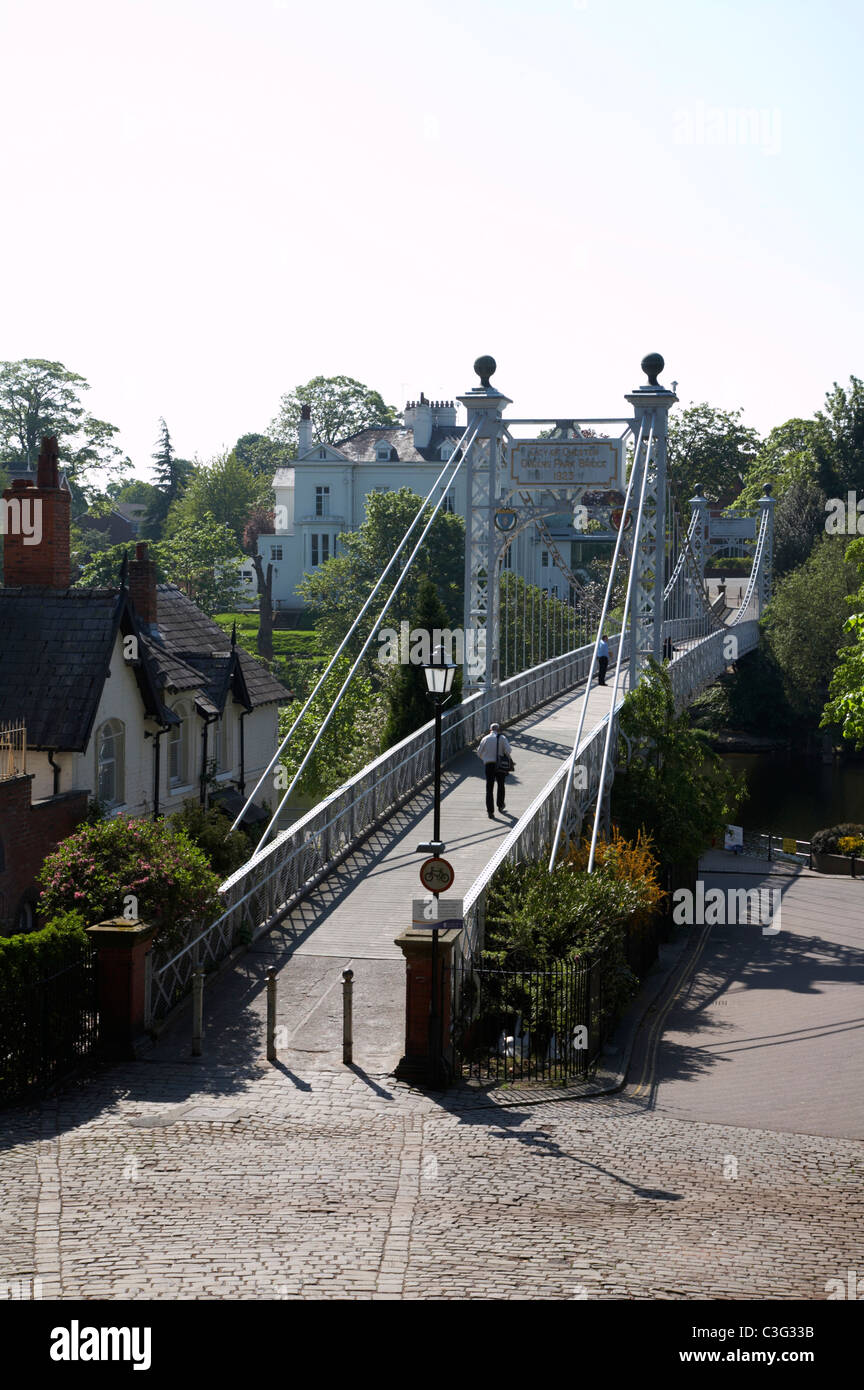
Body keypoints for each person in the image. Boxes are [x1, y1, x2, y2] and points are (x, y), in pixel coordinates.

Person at [476, 721, 513, 819]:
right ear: (499, 730)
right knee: (501, 785)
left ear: (490, 730)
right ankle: (500, 805)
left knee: (489, 788)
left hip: (489, 765)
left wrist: (485, 758)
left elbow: (479, 752)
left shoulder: (485, 738)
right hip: (500, 765)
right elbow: (508, 750)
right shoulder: (502, 738)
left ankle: (490, 811)